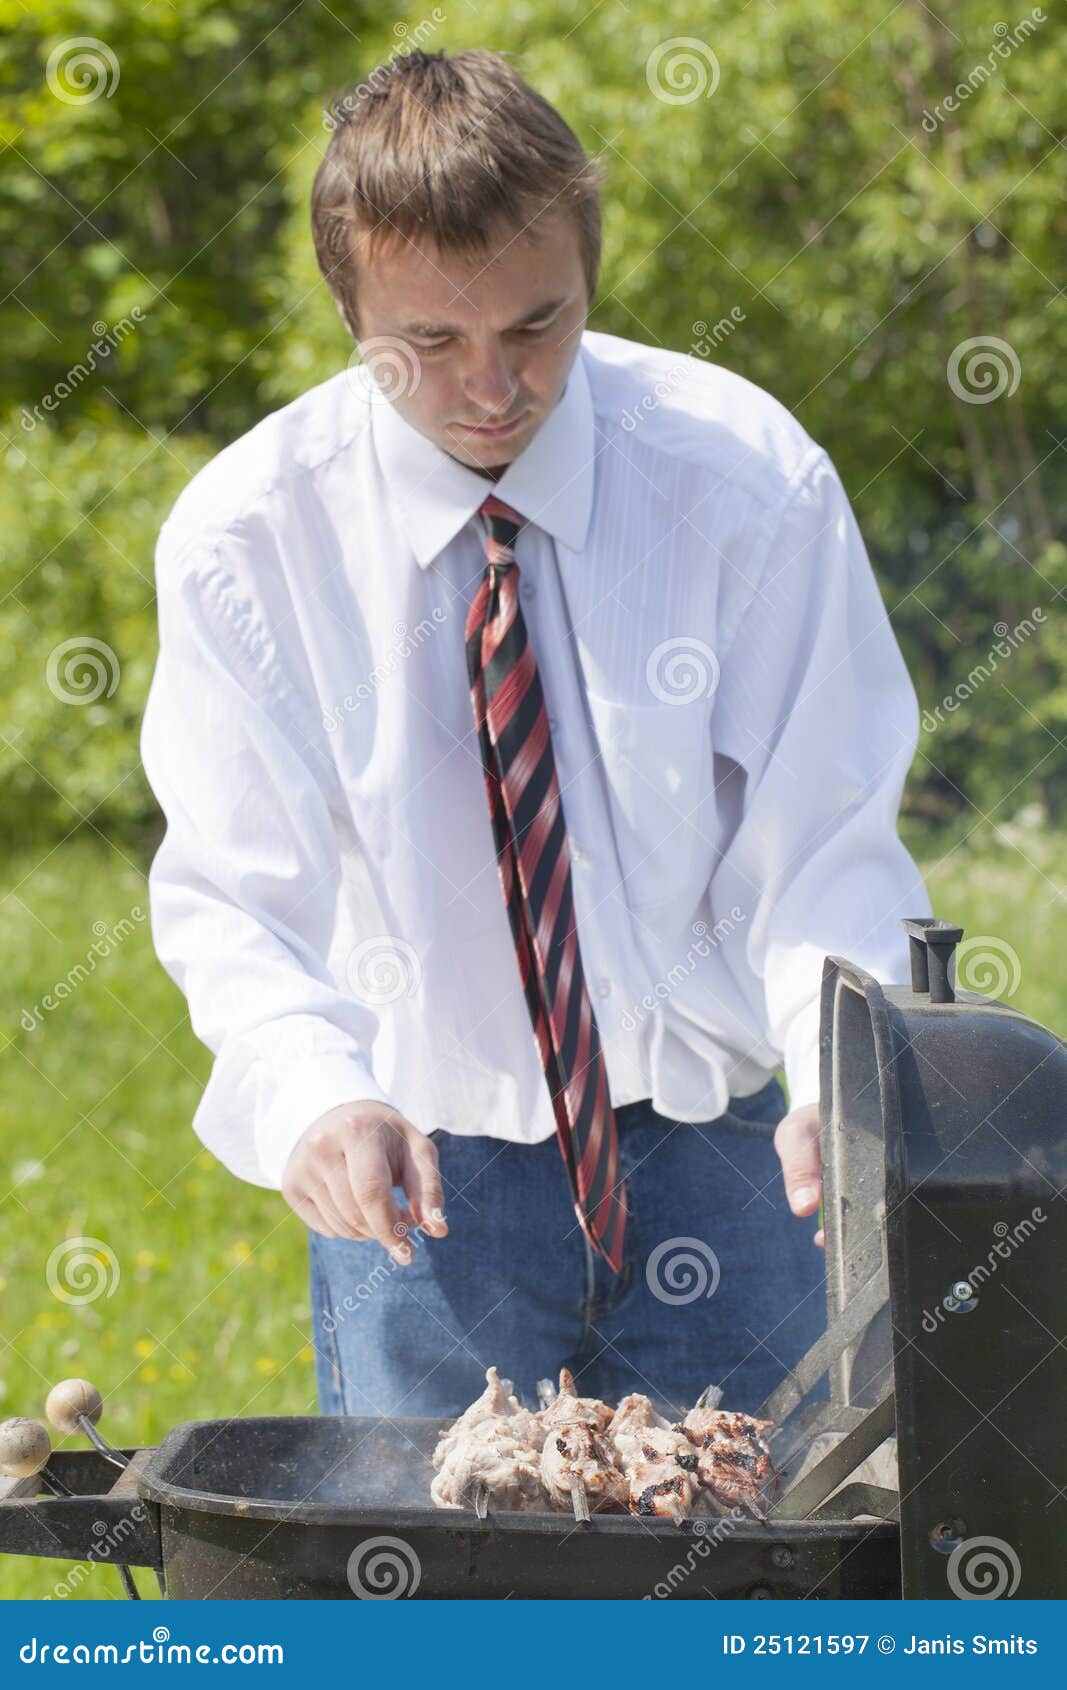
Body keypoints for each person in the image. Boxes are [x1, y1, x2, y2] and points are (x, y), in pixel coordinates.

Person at [140, 47, 930, 1422]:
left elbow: (828, 840)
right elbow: (232, 895)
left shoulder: (744, 480)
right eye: (429, 344)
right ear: (347, 309)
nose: (492, 387)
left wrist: (842, 1081)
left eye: (537, 324)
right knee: (439, 1616)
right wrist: (315, 1092)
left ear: (591, 276)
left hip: (730, 1153)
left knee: (755, 1602)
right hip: (424, 1175)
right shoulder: (246, 539)